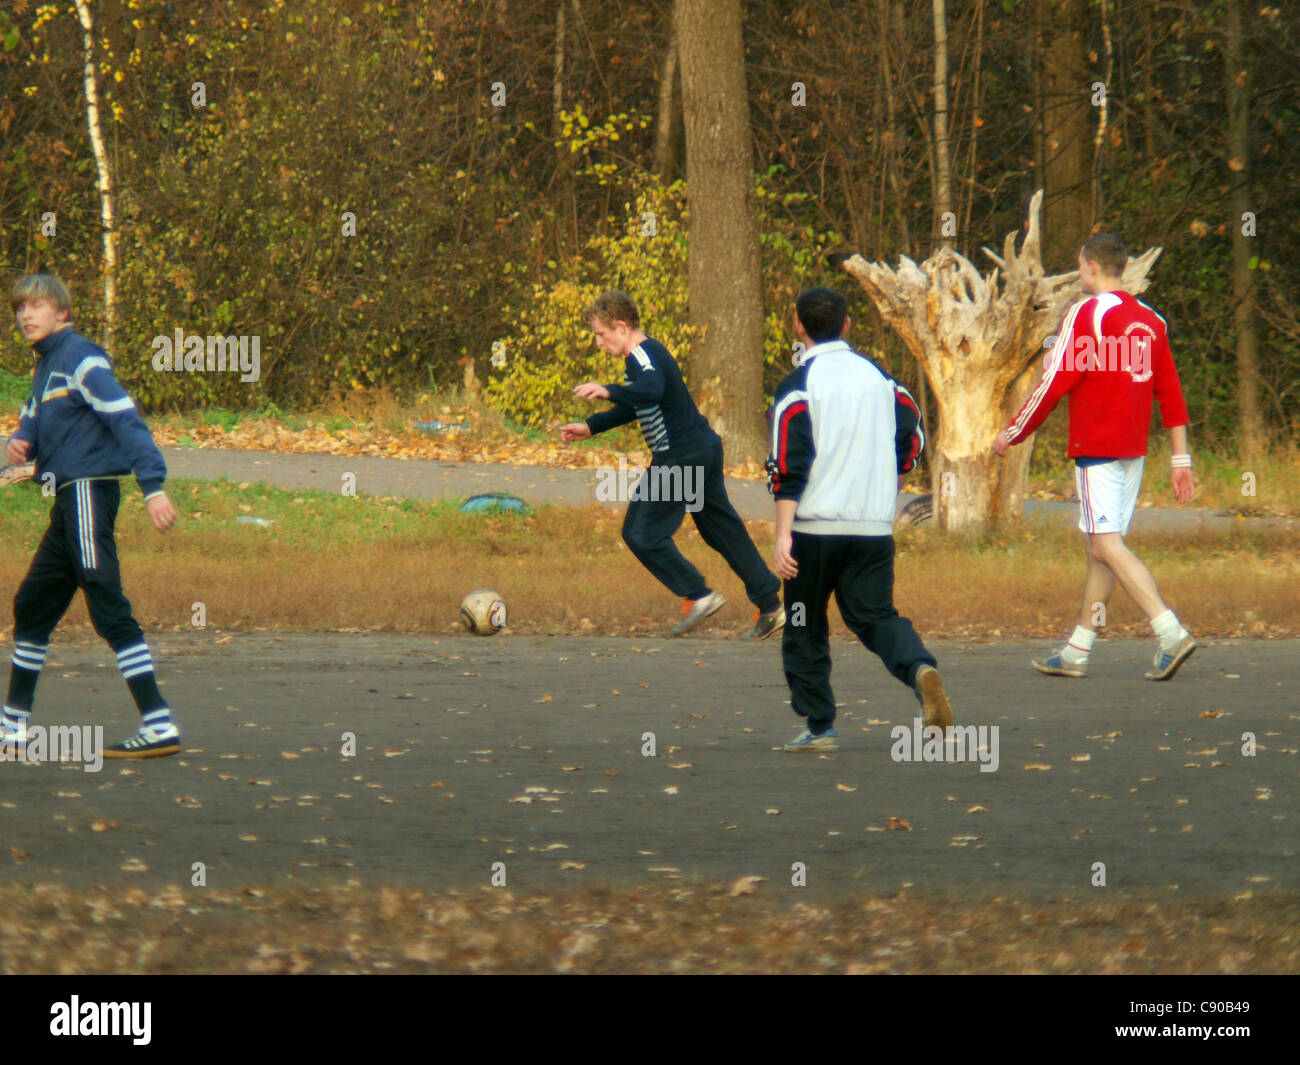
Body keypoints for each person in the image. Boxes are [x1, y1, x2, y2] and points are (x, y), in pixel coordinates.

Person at [993, 233, 1196, 681]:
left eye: (1081, 266)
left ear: (1089, 267)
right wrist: (1180, 461)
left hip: (1097, 449)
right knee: (1101, 548)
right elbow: (1171, 393)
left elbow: (1055, 380)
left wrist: (1015, 430)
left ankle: (1171, 632)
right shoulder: (1152, 320)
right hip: (1132, 453)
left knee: (1105, 544)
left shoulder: (1085, 313)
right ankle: (1076, 651)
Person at [2, 271, 182, 760]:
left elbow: (126, 419)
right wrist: (23, 442)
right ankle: (13, 730)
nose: (25, 314)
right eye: (19, 307)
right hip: (64, 501)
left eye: (36, 305)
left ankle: (158, 722)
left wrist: (153, 487)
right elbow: (35, 420)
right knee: (33, 606)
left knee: (106, 602)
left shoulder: (82, 357)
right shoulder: (45, 370)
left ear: (62, 313)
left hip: (87, 493)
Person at [769, 286, 953, 752]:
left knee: (804, 622)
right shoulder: (882, 381)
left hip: (813, 528)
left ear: (798, 326)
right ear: (847, 325)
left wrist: (782, 535)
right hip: (872, 529)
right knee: (875, 616)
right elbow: (912, 436)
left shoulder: (797, 386)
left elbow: (788, 464)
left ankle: (819, 727)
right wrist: (886, 481)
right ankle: (918, 668)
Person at [558, 290, 784, 638]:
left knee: (640, 532)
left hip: (681, 456)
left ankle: (698, 595)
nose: (598, 343)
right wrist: (592, 426)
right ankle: (771, 606)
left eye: (601, 334)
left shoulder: (643, 356)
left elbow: (649, 389)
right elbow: (639, 403)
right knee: (722, 531)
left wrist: (607, 389)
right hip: (700, 450)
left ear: (621, 326)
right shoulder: (644, 355)